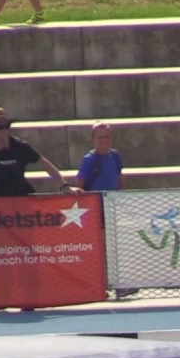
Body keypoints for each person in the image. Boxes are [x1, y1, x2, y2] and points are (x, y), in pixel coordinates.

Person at [0, 107, 81, 202]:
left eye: (6, 126)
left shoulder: (20, 146)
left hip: (21, 201)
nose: (4, 131)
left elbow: (44, 163)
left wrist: (64, 185)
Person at [76, 122, 138, 298]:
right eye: (99, 137)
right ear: (93, 139)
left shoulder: (115, 156)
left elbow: (119, 178)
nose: (103, 141)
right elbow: (80, 185)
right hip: (96, 209)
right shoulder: (89, 160)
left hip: (112, 207)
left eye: (106, 137)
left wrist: (121, 201)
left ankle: (119, 284)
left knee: (115, 247)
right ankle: (100, 285)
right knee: (101, 248)